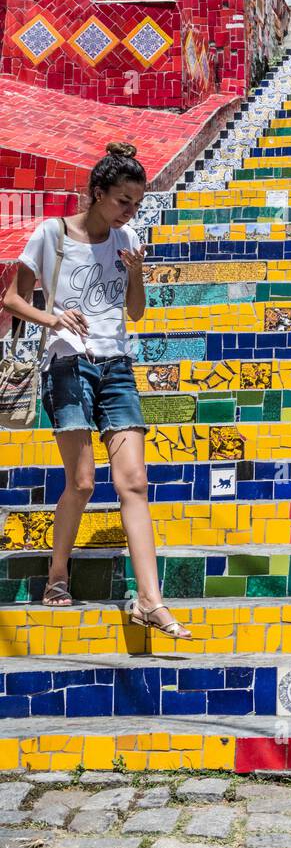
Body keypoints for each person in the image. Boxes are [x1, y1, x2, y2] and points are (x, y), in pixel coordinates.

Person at [3, 142, 192, 639]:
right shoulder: (51, 234)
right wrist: (53, 315)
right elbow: (12, 298)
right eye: (123, 200)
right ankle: (58, 572)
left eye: (136, 202)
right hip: (66, 365)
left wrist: (136, 274)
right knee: (83, 482)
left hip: (116, 366)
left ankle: (151, 600)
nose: (130, 211)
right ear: (97, 193)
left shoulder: (126, 238)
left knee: (134, 483)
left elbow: (136, 313)